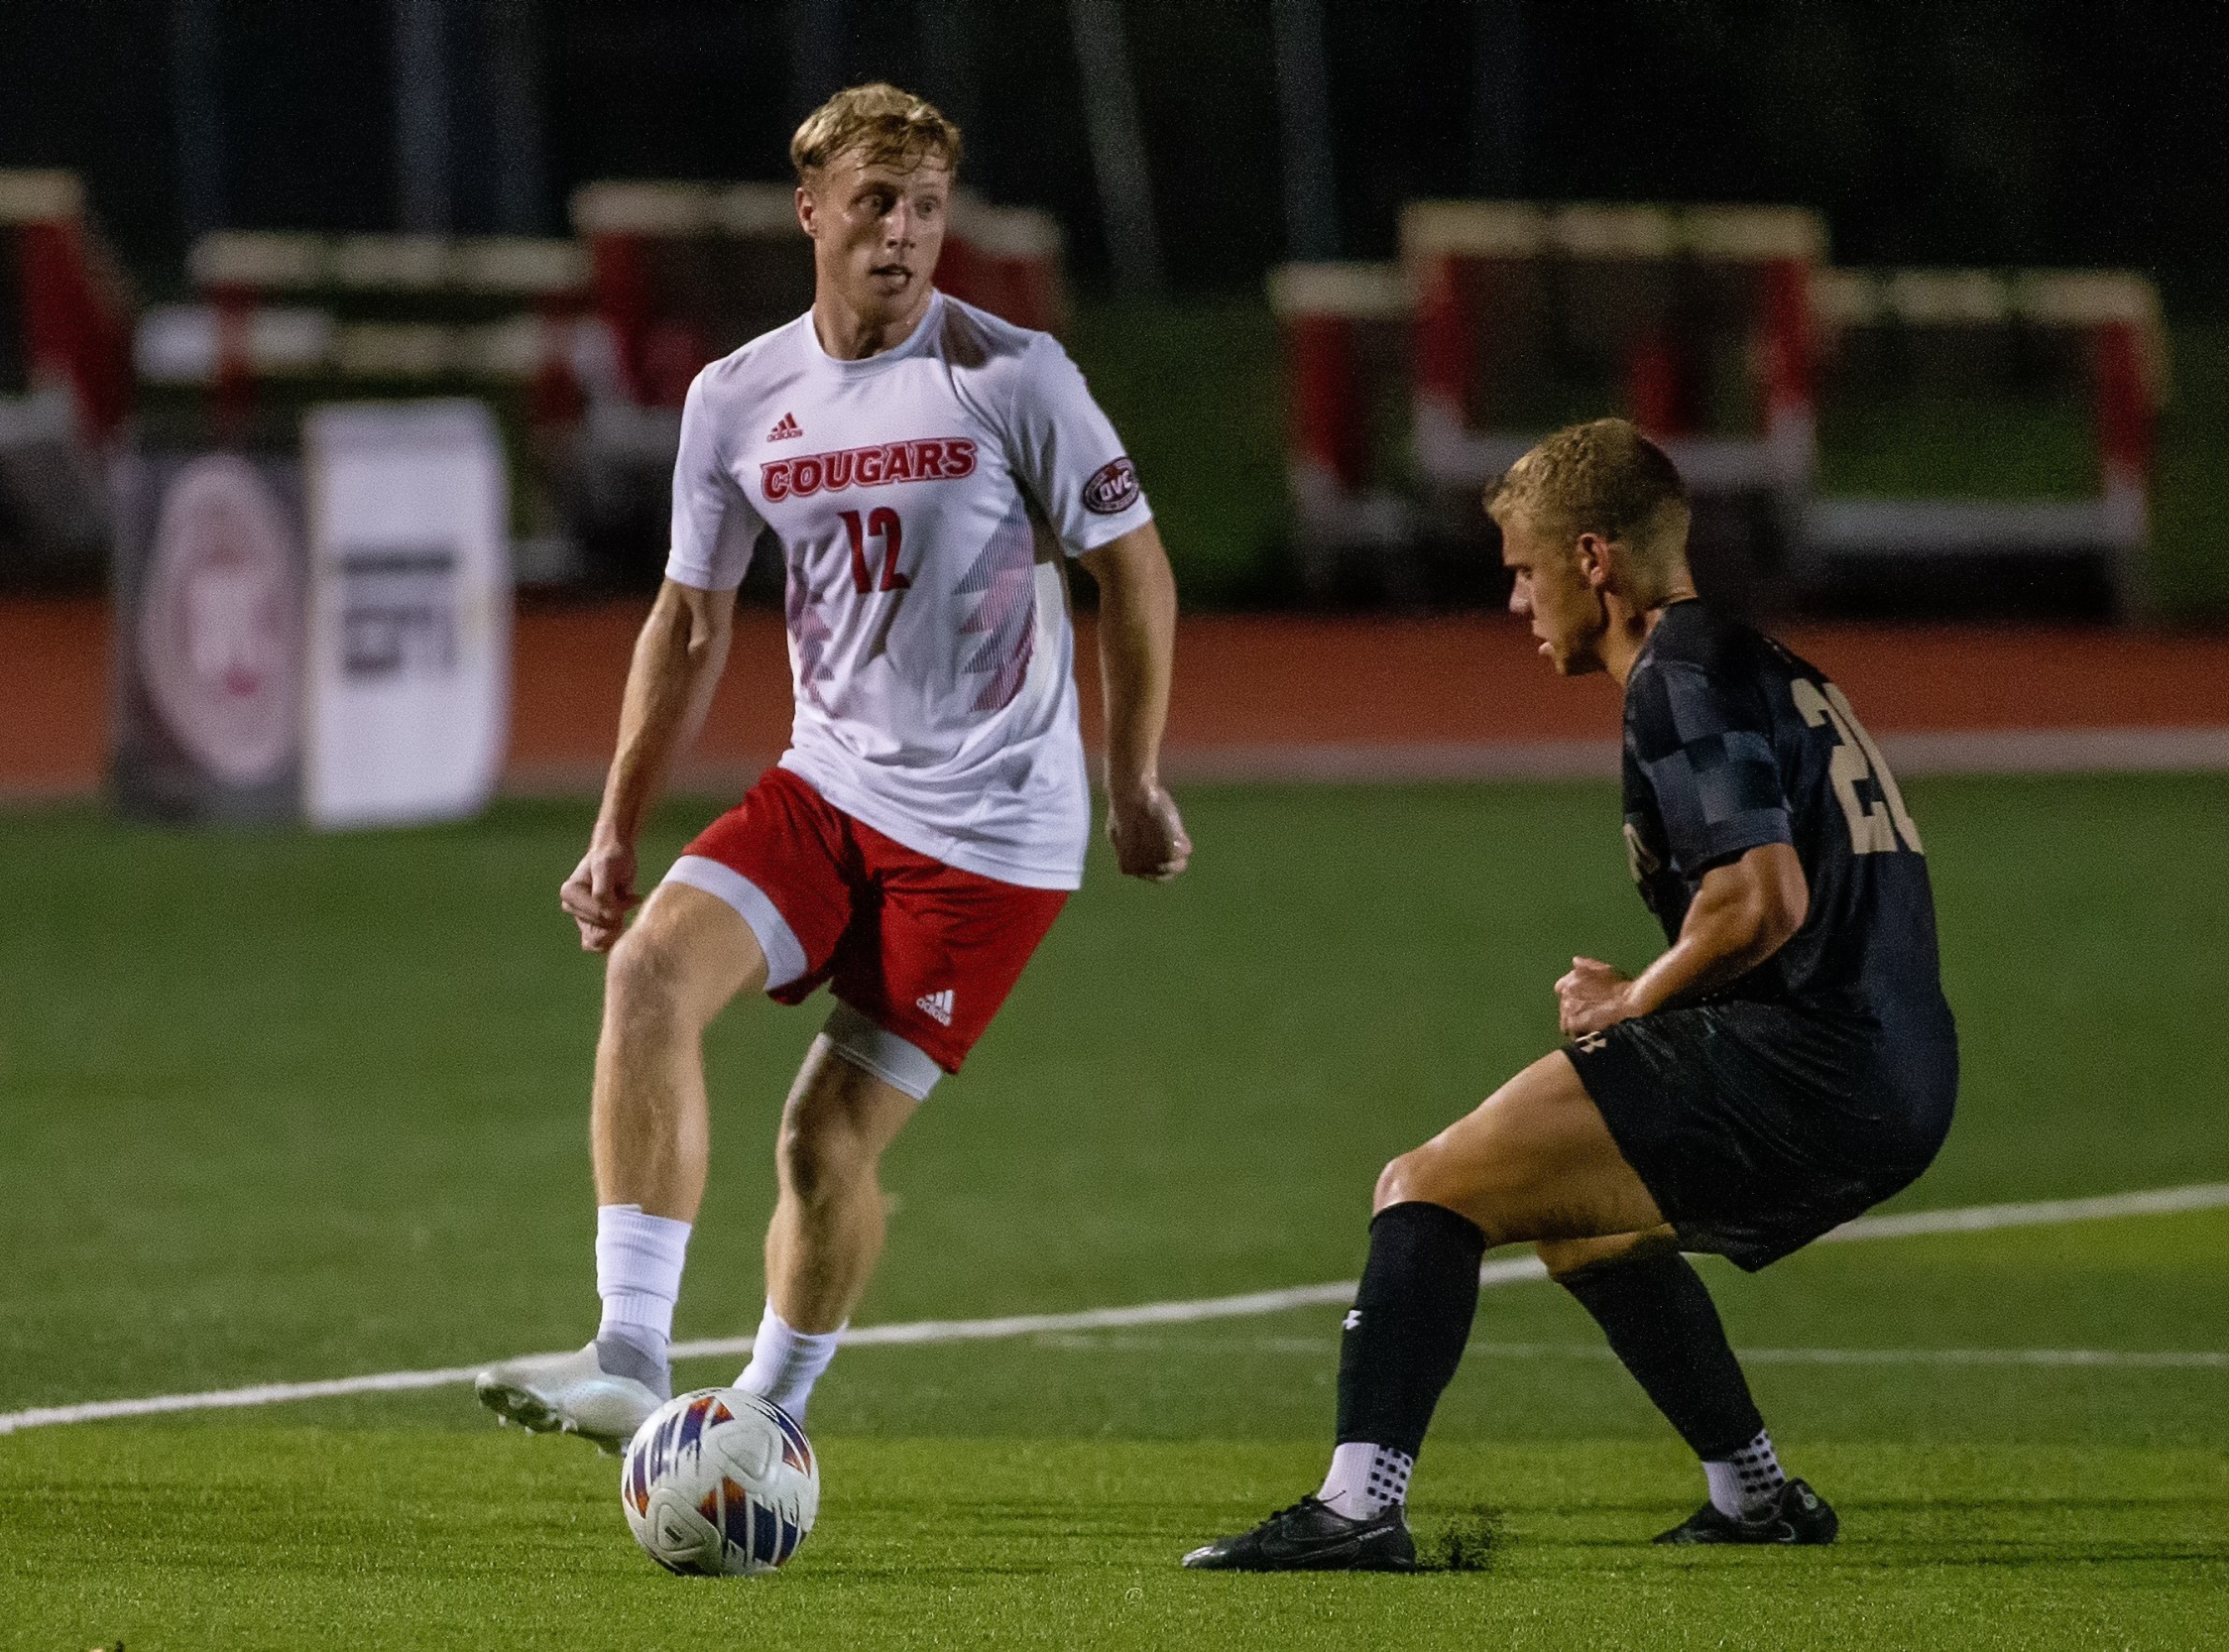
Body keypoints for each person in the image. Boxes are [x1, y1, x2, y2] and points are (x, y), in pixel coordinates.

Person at [476, 83, 1191, 1453]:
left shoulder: (1013, 373)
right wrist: (617, 826)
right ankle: (629, 1348)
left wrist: (1135, 779)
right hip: (829, 785)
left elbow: (1135, 571)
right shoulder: (739, 396)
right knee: (648, 975)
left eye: (927, 209)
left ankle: (767, 1416)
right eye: (876, 202)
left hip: (991, 833)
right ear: (813, 211)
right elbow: (688, 620)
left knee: (821, 1141)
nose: (904, 234)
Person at [1183, 418, 1955, 1570]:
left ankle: (1357, 1504)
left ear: (1593, 560)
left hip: (1813, 1060)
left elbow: (1761, 902)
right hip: (1898, 1066)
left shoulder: (1679, 672)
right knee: (1584, 1230)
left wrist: (1636, 1000)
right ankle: (1754, 1495)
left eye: (1523, 569)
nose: (1515, 601)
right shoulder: (1769, 667)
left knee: (1427, 1187)